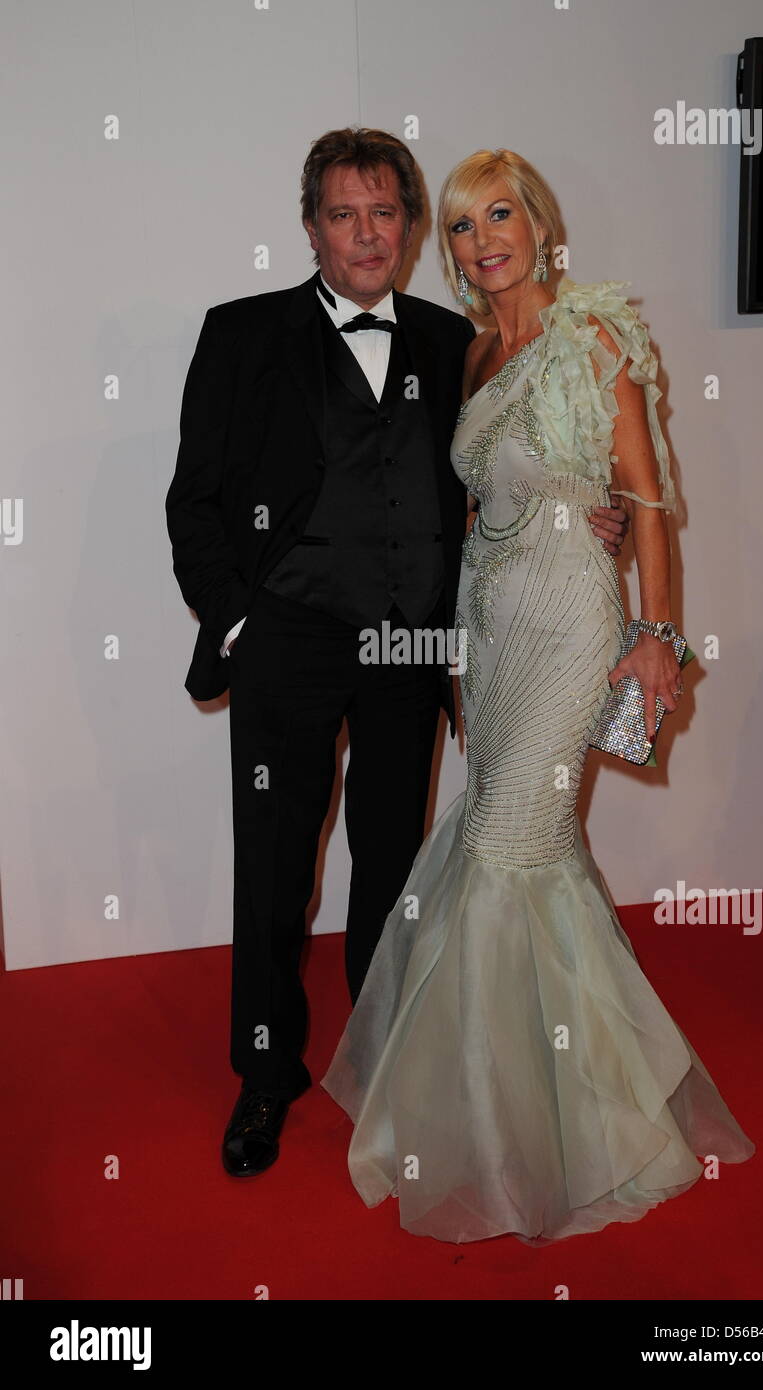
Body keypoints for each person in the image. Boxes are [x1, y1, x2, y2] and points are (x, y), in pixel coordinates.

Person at [165, 129, 632, 1180]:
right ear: (312, 227)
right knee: (273, 868)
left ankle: (384, 1057)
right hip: (285, 635)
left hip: (409, 643)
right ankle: (266, 1076)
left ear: (413, 230)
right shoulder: (240, 335)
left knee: (394, 863)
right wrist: (237, 618)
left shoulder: (447, 340)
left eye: (386, 213)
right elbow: (193, 499)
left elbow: (507, 465)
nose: (366, 233)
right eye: (343, 213)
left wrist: (587, 508)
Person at [321, 148, 756, 1245]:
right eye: (464, 228)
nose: (482, 242)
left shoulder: (595, 332)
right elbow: (477, 510)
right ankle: (497, 1110)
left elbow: (647, 499)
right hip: (491, 621)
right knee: (511, 847)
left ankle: (562, 1134)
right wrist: (460, 653)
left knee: (513, 845)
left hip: (570, 620)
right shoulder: (472, 353)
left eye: (499, 216)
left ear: (539, 221)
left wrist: (657, 637)